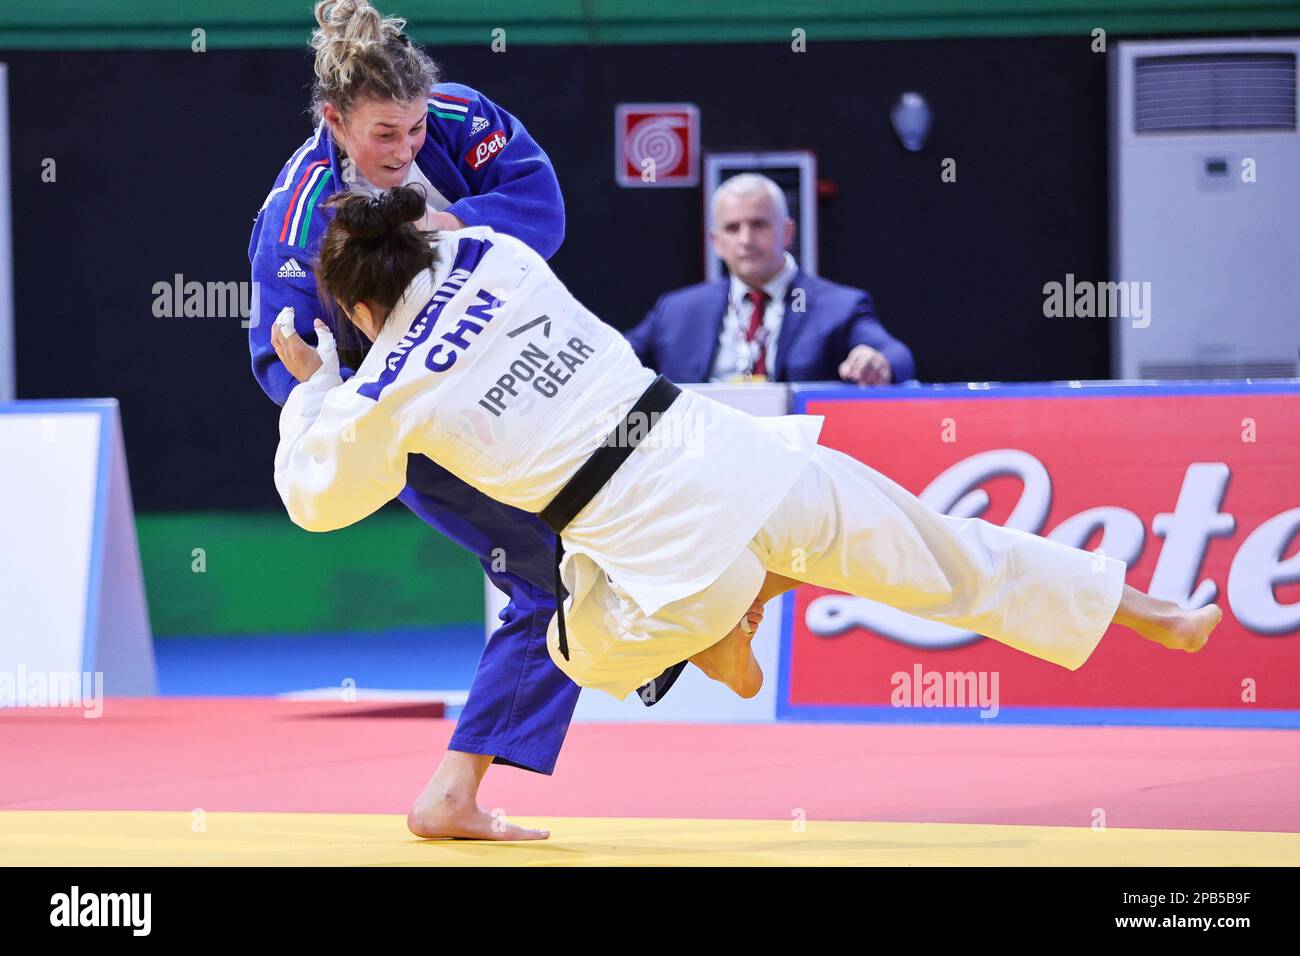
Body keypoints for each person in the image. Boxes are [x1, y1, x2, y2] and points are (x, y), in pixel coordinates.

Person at [271, 186, 1221, 717]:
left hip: (677, 568)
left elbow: (316, 501)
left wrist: (314, 386)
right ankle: (1155, 610)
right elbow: (433, 226)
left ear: (359, 309)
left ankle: (723, 629)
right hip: (745, 458)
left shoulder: (383, 390)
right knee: (950, 552)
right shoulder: (496, 255)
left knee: (576, 647)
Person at [248, 0, 580, 842]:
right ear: (335, 120)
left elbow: (542, 212)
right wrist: (327, 400)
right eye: (384, 135)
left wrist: (450, 222)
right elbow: (289, 362)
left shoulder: (465, 117)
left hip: (514, 372)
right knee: (556, 572)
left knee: (600, 536)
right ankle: (455, 793)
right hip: (406, 420)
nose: (405, 152)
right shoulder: (297, 217)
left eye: (414, 129)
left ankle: (660, 640)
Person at [626, 173, 915, 385]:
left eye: (759, 224)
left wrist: (877, 362)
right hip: (699, 456)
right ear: (716, 242)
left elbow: (896, 354)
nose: (746, 239)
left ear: (788, 232)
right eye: (732, 228)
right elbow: (619, 357)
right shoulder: (678, 310)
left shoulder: (839, 306)